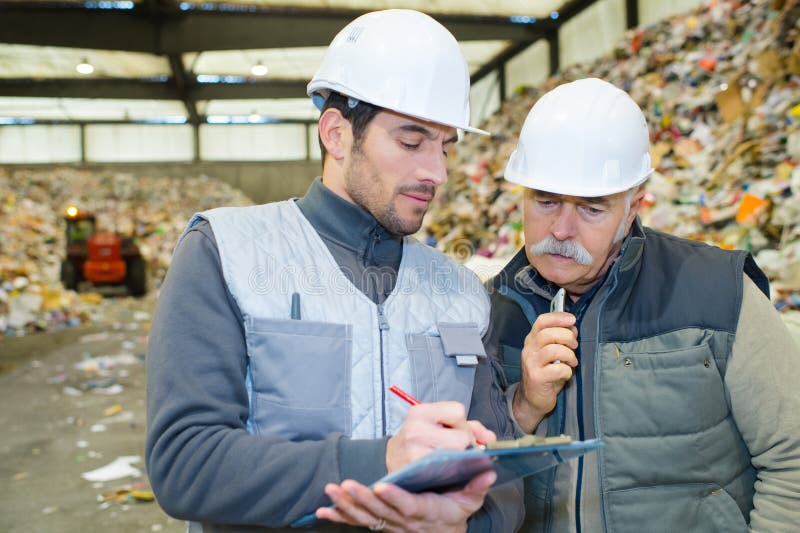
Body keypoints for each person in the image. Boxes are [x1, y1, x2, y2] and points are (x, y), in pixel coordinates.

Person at [145, 9, 523, 533]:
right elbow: (186, 464)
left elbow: (497, 470)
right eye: (412, 142)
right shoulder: (224, 252)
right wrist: (382, 463)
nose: (436, 172)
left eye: (445, 146)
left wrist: (464, 526)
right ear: (337, 135)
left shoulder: (460, 291)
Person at [487, 77, 800, 532]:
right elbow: (470, 480)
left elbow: (792, 455)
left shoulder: (717, 292)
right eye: (545, 201)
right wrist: (523, 405)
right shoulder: (491, 311)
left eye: (592, 208)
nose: (561, 229)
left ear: (634, 206)